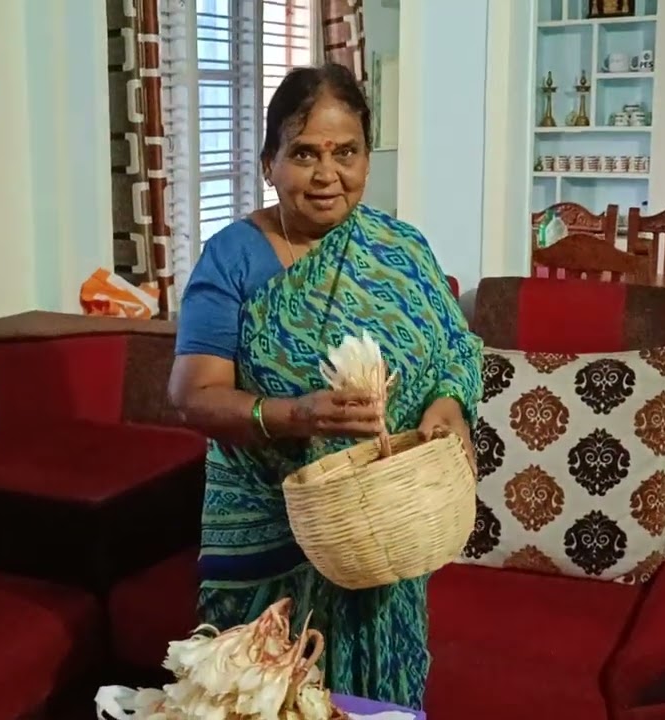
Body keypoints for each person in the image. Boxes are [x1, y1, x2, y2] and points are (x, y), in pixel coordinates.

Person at [166, 63, 483, 710]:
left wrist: (449, 409)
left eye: (346, 153)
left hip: (380, 535)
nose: (326, 174)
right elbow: (193, 394)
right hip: (266, 537)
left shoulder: (401, 249)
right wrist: (298, 414)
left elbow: (455, 349)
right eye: (304, 154)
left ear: (368, 159)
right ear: (268, 163)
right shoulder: (232, 257)